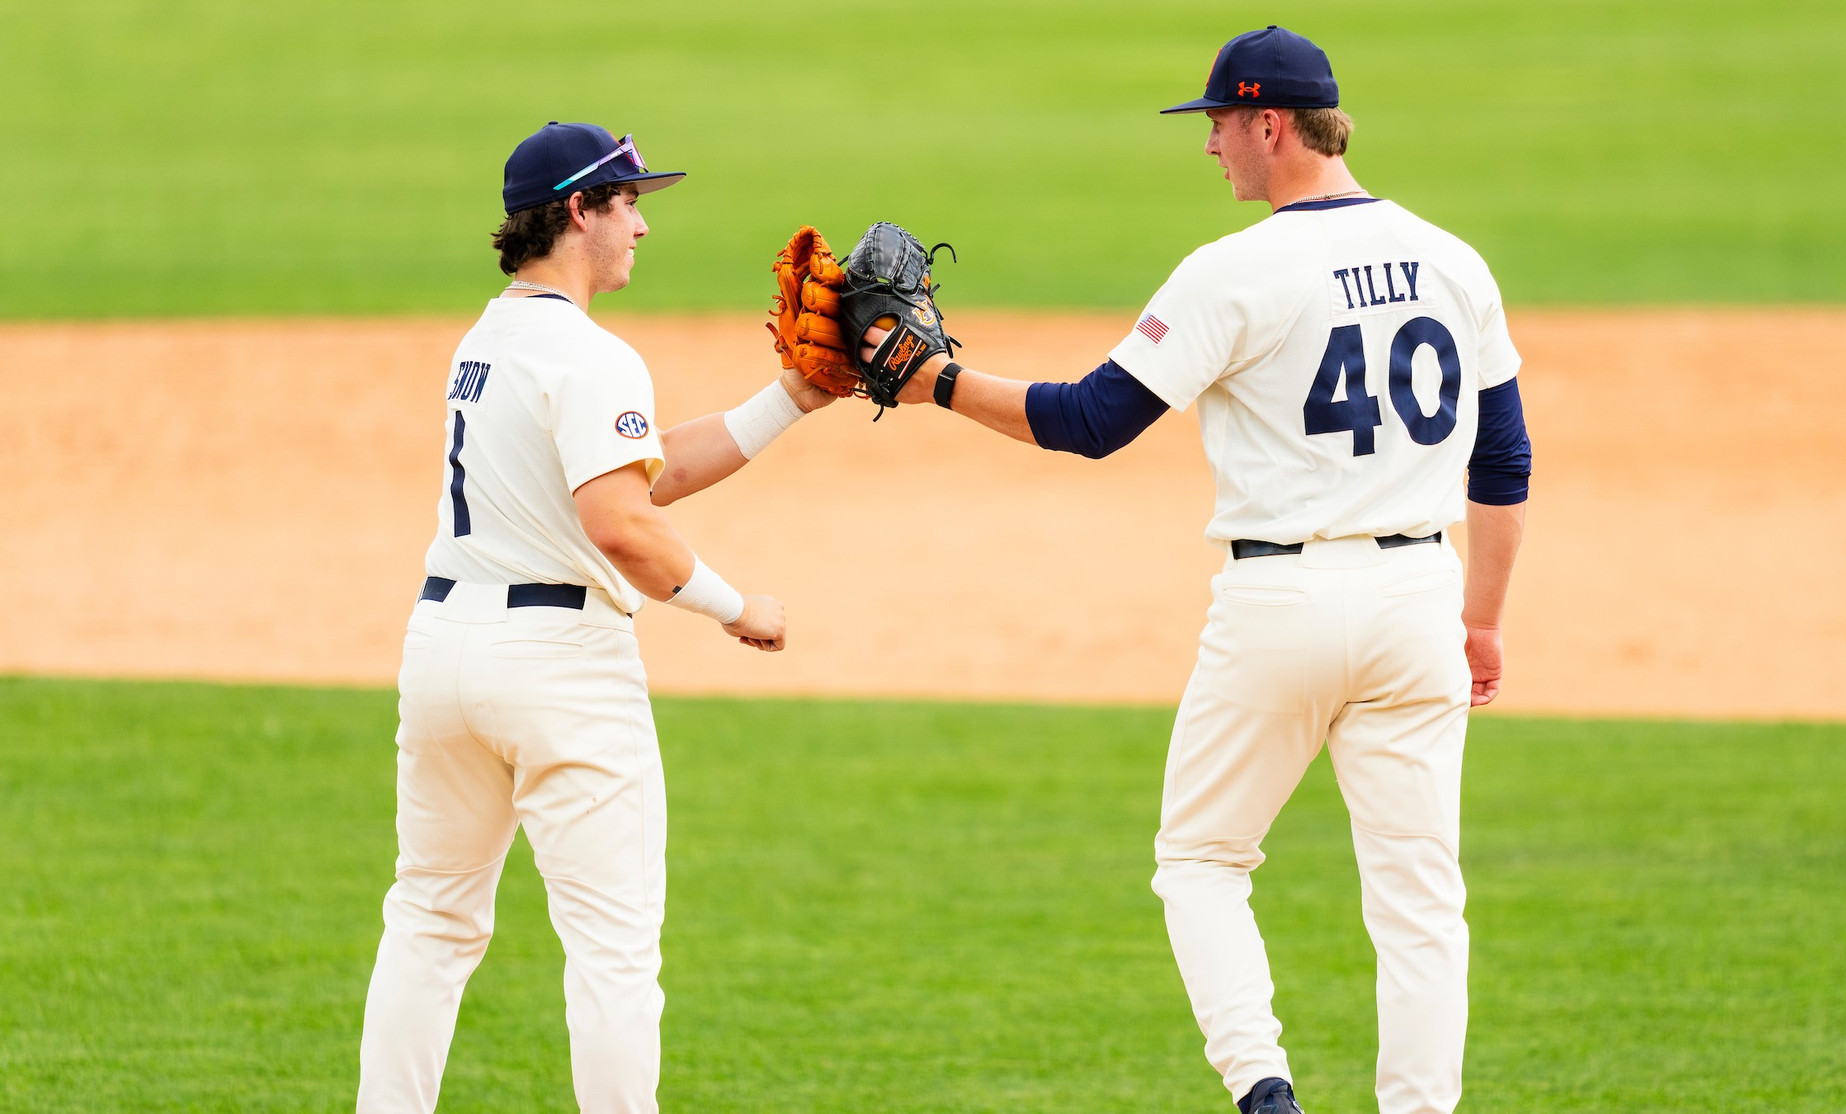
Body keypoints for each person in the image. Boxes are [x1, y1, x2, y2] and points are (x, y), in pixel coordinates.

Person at [864, 28, 1531, 1114]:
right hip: (1423, 594)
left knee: (1202, 859)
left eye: (1219, 122)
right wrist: (1483, 621)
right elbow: (1504, 460)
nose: (1210, 143)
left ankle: (1265, 1092)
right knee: (1420, 902)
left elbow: (1089, 422)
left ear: (1273, 124)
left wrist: (936, 378)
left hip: (1282, 603)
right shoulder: (1455, 259)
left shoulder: (1231, 272)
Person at [356, 121, 835, 1113]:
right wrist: (735, 606)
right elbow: (621, 523)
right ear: (578, 209)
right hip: (561, 669)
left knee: (431, 922)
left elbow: (640, 466)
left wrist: (787, 397)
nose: (641, 228)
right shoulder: (590, 355)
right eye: (628, 203)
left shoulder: (487, 339)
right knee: (614, 951)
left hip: (444, 647)